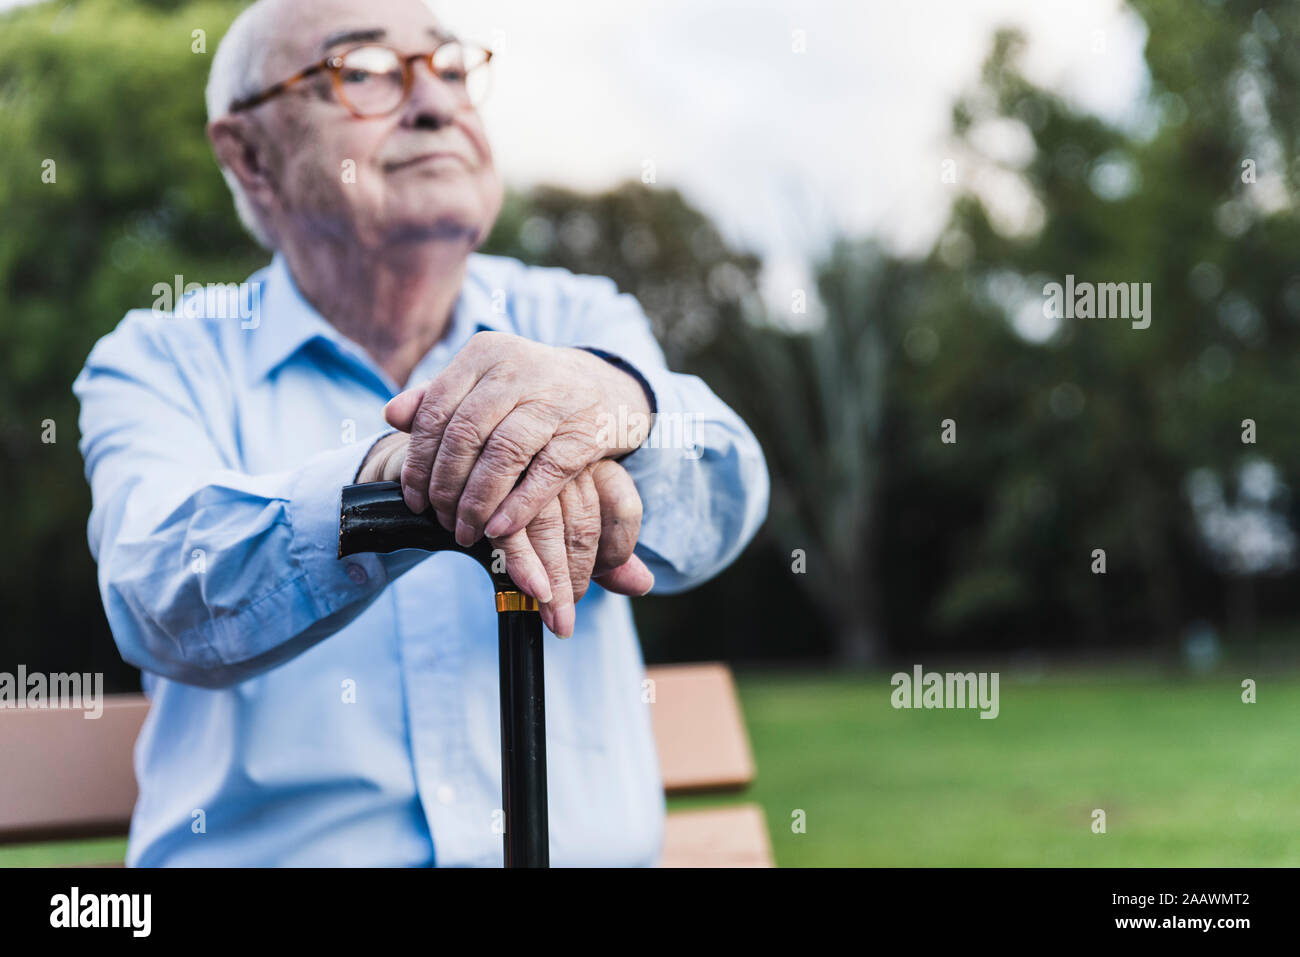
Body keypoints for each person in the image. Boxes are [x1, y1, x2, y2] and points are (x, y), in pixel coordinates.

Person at [73, 0, 769, 867]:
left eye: (448, 66)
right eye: (361, 70)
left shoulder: (578, 317)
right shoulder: (161, 357)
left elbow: (727, 487)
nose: (434, 102)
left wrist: (606, 400)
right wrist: (406, 474)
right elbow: (156, 585)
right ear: (249, 155)